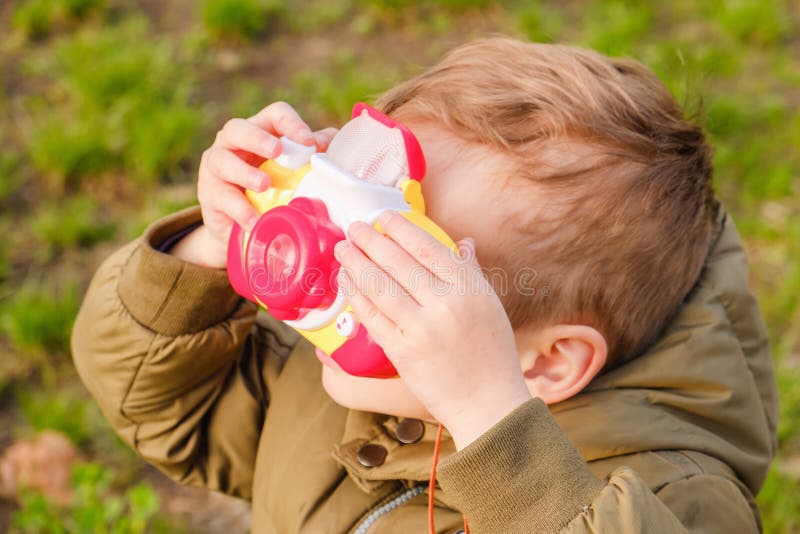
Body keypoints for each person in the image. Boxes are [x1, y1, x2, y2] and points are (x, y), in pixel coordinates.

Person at [71, 37, 778, 533]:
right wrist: (208, 249)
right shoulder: (336, 388)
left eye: (409, 268)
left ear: (545, 361)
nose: (336, 267)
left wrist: (491, 421)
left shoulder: (677, 496)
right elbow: (162, 408)